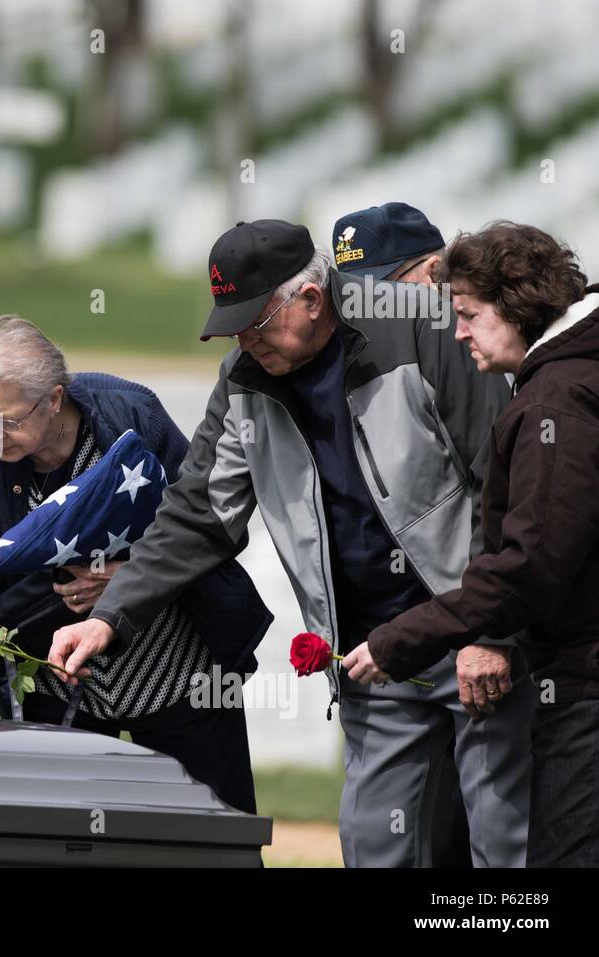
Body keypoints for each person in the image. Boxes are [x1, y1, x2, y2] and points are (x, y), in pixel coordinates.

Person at [50, 219, 533, 867]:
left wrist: (491, 631)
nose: (244, 341)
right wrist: (111, 615)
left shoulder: (427, 326)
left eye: (255, 322)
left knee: (507, 845)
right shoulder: (245, 379)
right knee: (374, 844)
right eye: (233, 327)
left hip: (469, 629)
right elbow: (199, 514)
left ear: (311, 298)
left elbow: (502, 481)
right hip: (371, 652)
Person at [0, 315, 272, 814]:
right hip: (58, 685)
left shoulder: (130, 415)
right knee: (64, 843)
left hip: (177, 671)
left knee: (214, 836)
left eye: (7, 420)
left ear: (54, 399)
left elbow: (204, 522)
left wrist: (130, 577)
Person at [345, 222, 599, 867]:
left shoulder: (556, 402)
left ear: (515, 304)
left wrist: (399, 639)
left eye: (468, 314)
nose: (457, 333)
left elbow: (528, 566)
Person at [332, 202, 478, 869]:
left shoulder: (480, 349)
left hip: (493, 634)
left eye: (387, 288)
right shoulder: (364, 354)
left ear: (437, 269)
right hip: (396, 641)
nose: (370, 306)